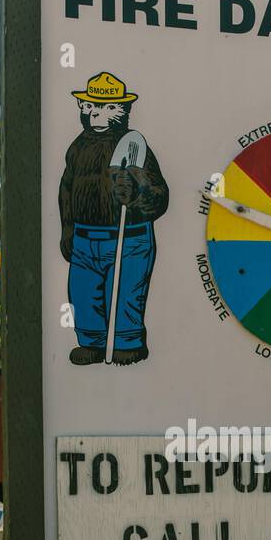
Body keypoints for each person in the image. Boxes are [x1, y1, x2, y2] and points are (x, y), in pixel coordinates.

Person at [58, 71, 169, 365]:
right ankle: (92, 343)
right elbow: (66, 190)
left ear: (123, 111)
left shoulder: (134, 148)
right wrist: (67, 229)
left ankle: (126, 342)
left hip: (129, 238)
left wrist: (136, 193)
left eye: (108, 107)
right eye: (91, 106)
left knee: (125, 293)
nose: (97, 113)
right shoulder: (77, 148)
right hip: (84, 238)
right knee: (83, 293)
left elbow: (159, 194)